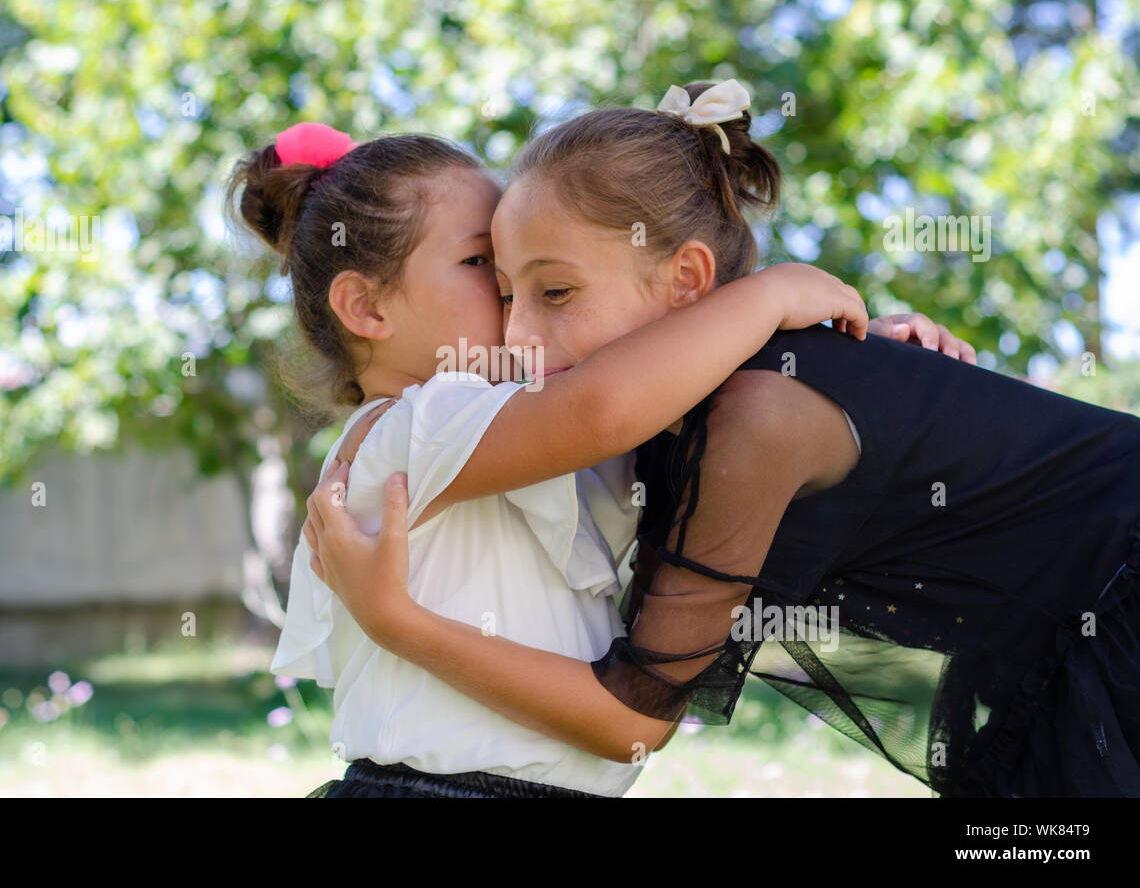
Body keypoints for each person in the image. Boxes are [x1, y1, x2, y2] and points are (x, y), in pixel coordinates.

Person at [302, 82, 1140, 797]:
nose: (517, 331)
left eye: (551, 291)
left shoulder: (755, 411)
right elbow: (604, 409)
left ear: (689, 280)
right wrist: (780, 307)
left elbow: (632, 715)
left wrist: (816, 328)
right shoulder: (637, 433)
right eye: (497, 283)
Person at [229, 120, 875, 797]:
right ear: (365, 307)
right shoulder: (407, 429)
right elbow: (605, 407)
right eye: (483, 263)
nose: (512, 298)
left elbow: (671, 382)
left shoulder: (522, 427)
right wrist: (770, 295)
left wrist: (846, 347)